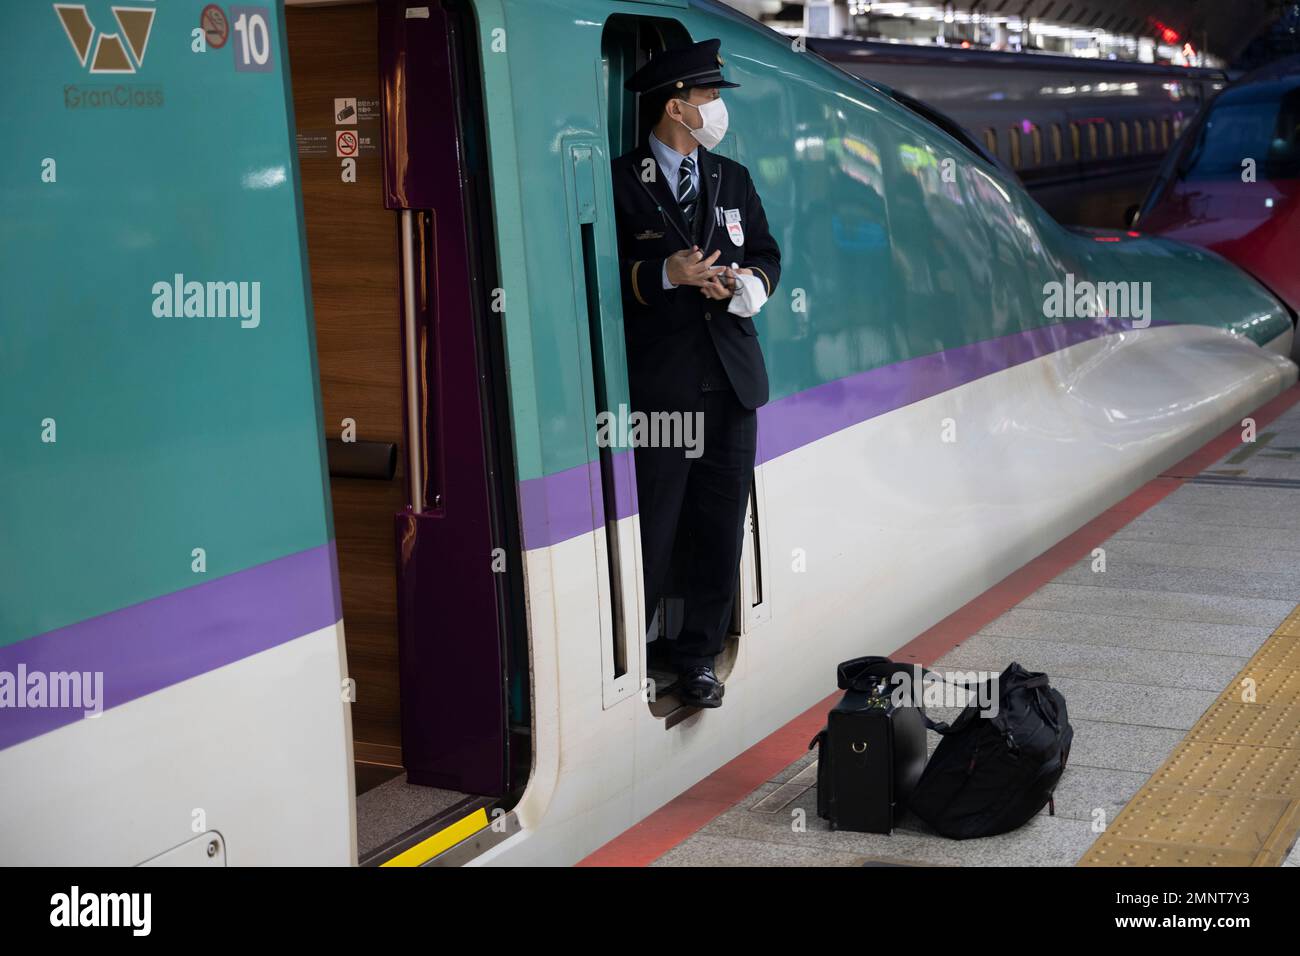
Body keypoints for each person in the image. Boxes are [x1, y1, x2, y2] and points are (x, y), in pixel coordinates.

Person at [611, 38, 781, 709]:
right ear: (676, 106)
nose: (715, 108)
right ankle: (636, 653)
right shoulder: (624, 181)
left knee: (718, 526)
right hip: (663, 386)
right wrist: (665, 274)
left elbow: (767, 253)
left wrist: (743, 287)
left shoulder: (731, 178)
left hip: (732, 382)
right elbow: (601, 278)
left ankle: (698, 658)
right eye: (708, 97)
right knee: (656, 523)